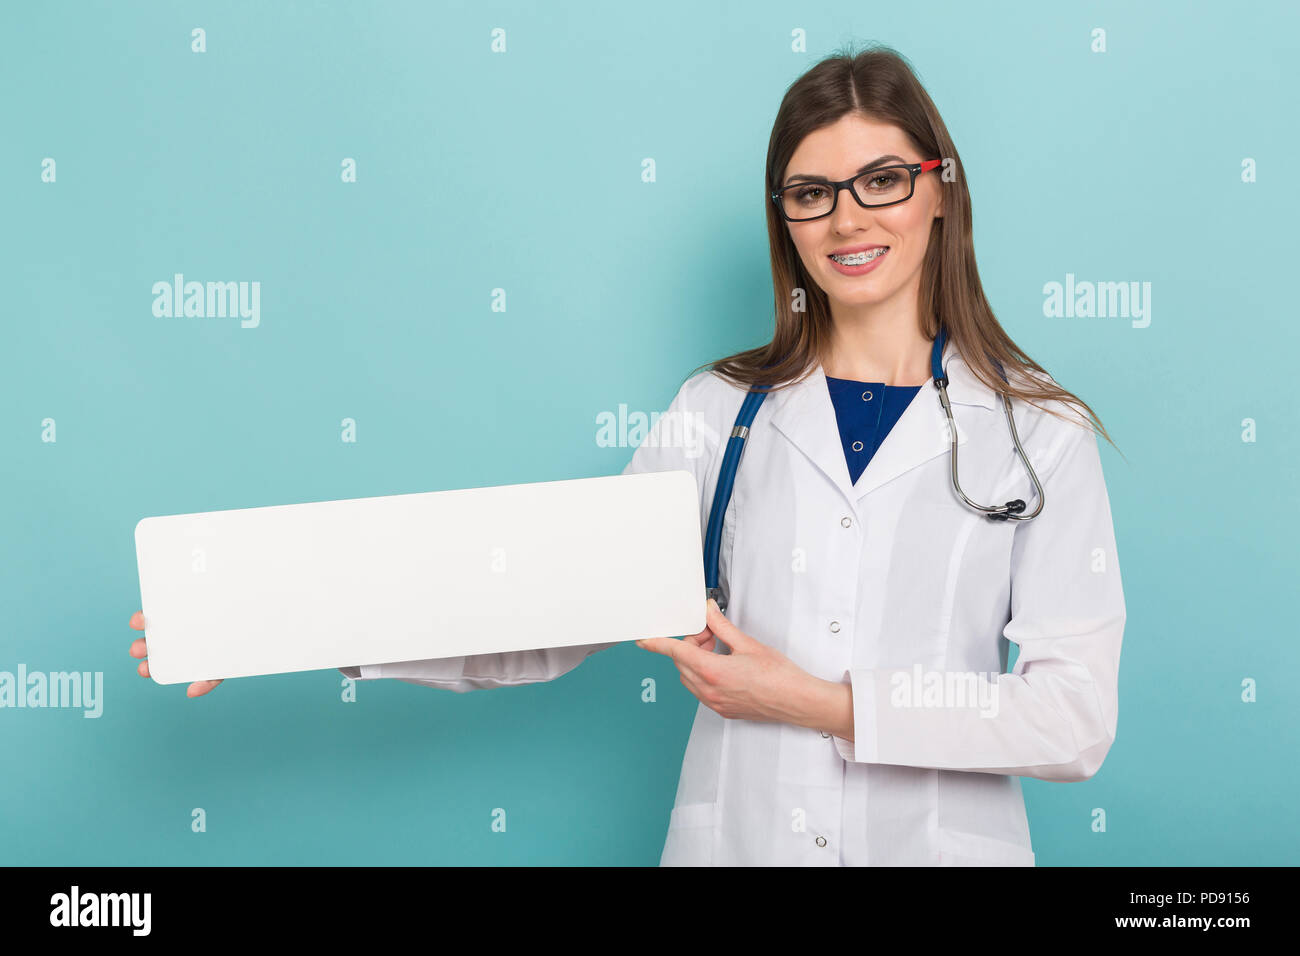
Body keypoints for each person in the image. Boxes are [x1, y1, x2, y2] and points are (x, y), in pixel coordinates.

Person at [129, 44, 1125, 866]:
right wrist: (280, 617)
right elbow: (547, 615)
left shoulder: (1038, 431)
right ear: (784, 218)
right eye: (810, 192)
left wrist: (823, 704)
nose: (847, 218)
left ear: (939, 191)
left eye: (882, 180)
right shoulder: (719, 410)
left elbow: (1071, 716)